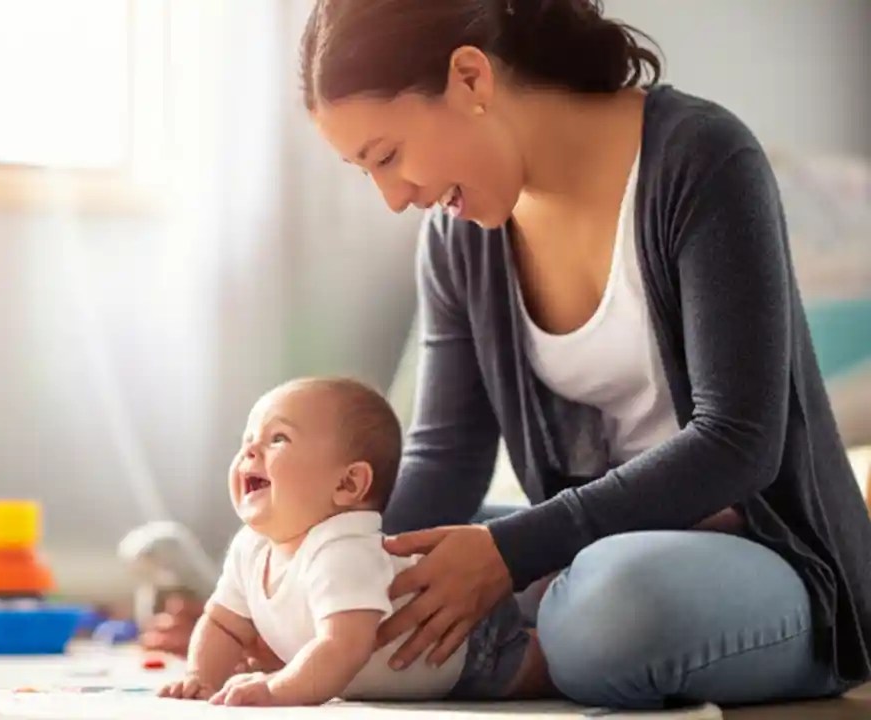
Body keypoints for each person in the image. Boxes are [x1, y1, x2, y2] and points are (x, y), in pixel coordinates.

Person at [299, 0, 871, 709]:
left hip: (764, 564)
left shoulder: (702, 159)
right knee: (397, 565)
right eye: (367, 172)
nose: (393, 198)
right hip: (573, 554)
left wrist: (510, 556)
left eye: (388, 156)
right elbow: (446, 454)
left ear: (471, 78)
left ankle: (525, 648)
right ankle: (523, 627)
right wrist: (297, 584)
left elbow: (740, 443)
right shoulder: (460, 237)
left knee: (605, 608)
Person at [158, 378, 552, 705]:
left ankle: (553, 591)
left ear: (348, 484)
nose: (250, 451)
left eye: (278, 438)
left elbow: (342, 646)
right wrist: (200, 677)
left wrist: (278, 689)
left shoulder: (340, 549)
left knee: (553, 665)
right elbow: (223, 625)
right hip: (428, 668)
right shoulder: (250, 548)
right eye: (248, 438)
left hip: (467, 645)